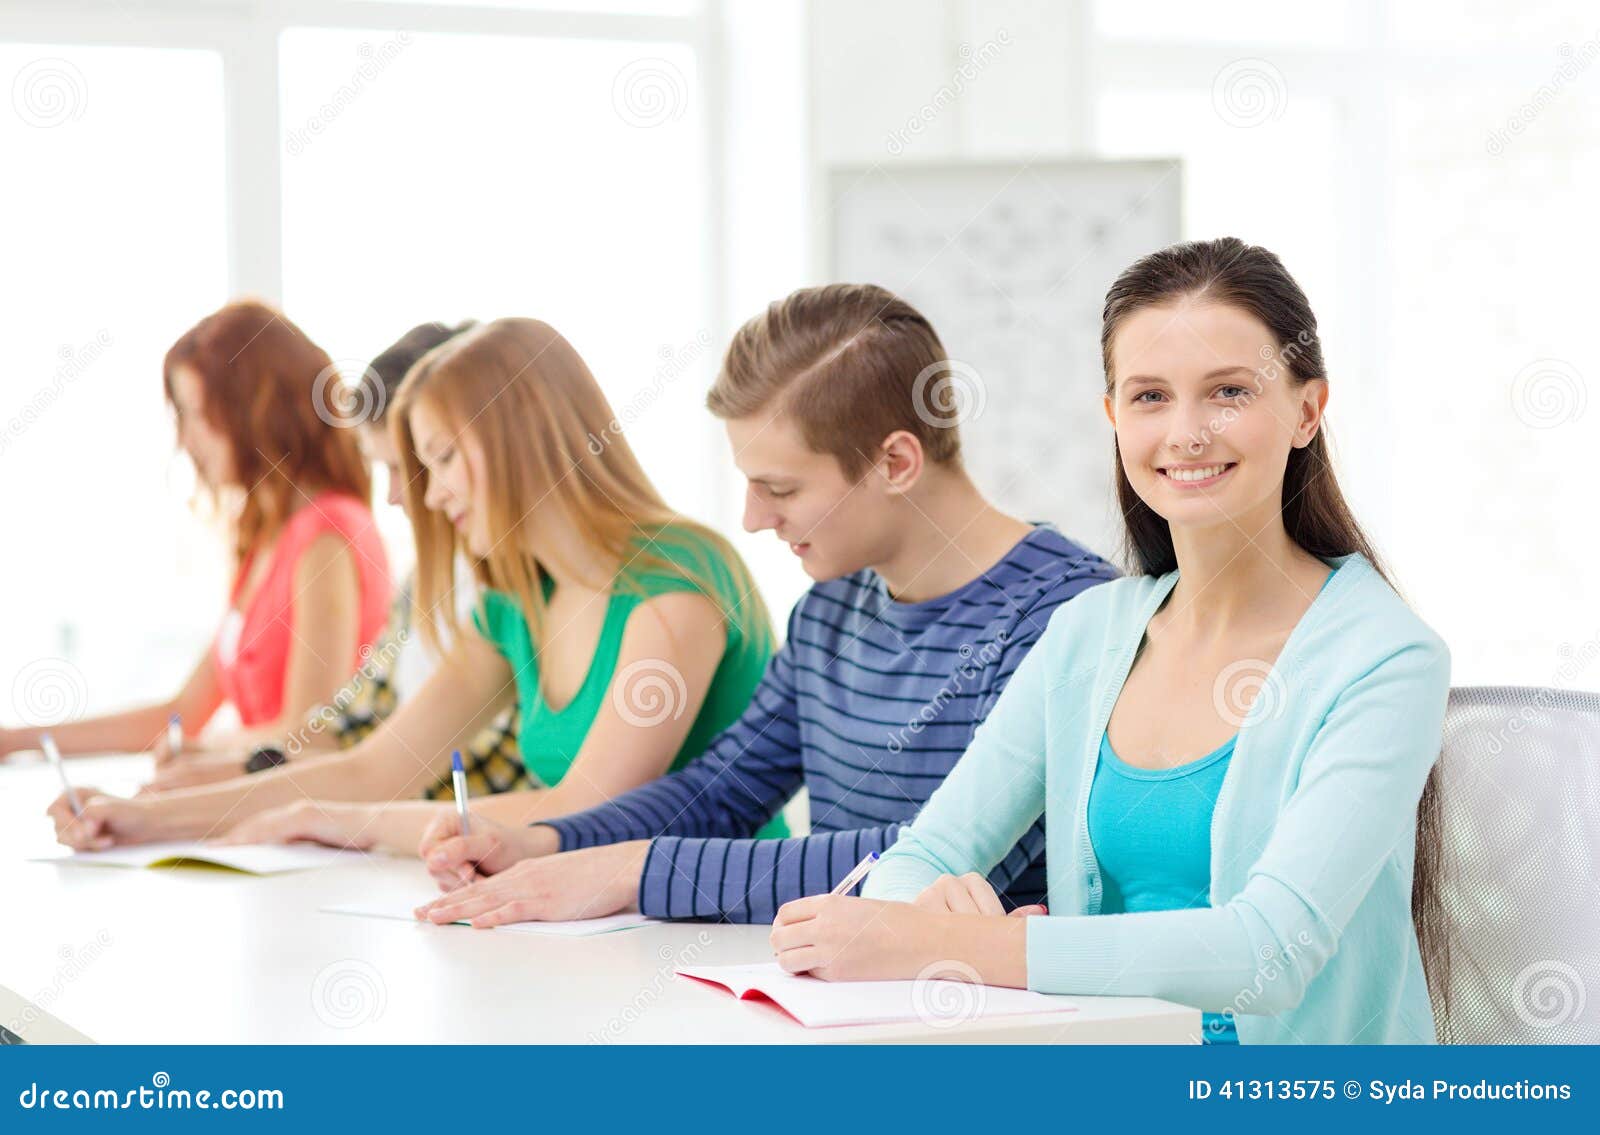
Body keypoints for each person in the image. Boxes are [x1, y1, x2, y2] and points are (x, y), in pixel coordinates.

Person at [768, 238, 1452, 1047]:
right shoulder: (1088, 633)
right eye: (1150, 396)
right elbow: (925, 851)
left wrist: (959, 944)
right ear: (1114, 418)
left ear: (1307, 411)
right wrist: (924, 904)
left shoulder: (1386, 657)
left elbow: (1269, 951)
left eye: (1229, 391)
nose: (1187, 432)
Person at [411, 283, 1120, 929]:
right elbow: (724, 790)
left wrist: (635, 871)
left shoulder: (1065, 617)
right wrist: (543, 842)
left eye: (781, 490)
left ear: (896, 463)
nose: (753, 519)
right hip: (844, 986)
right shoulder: (830, 611)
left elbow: (943, 856)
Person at [49, 318, 780, 852]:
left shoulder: (677, 577)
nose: (429, 496)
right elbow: (376, 767)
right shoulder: (512, 602)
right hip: (596, 929)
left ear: (515, 441)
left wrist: (338, 822)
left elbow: (583, 810)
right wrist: (141, 818)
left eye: (443, 459)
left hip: (724, 941)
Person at [142, 320, 530, 805]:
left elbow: (380, 764)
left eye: (421, 463)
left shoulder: (329, 531)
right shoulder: (423, 581)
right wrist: (229, 773)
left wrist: (232, 787)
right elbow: (351, 731)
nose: (396, 495)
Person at [2, 300, 390, 762]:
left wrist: (196, 751)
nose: (186, 441)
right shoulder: (268, 540)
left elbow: (308, 734)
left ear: (258, 411)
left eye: (198, 414)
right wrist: (17, 740)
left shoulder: (326, 535)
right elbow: (181, 715)